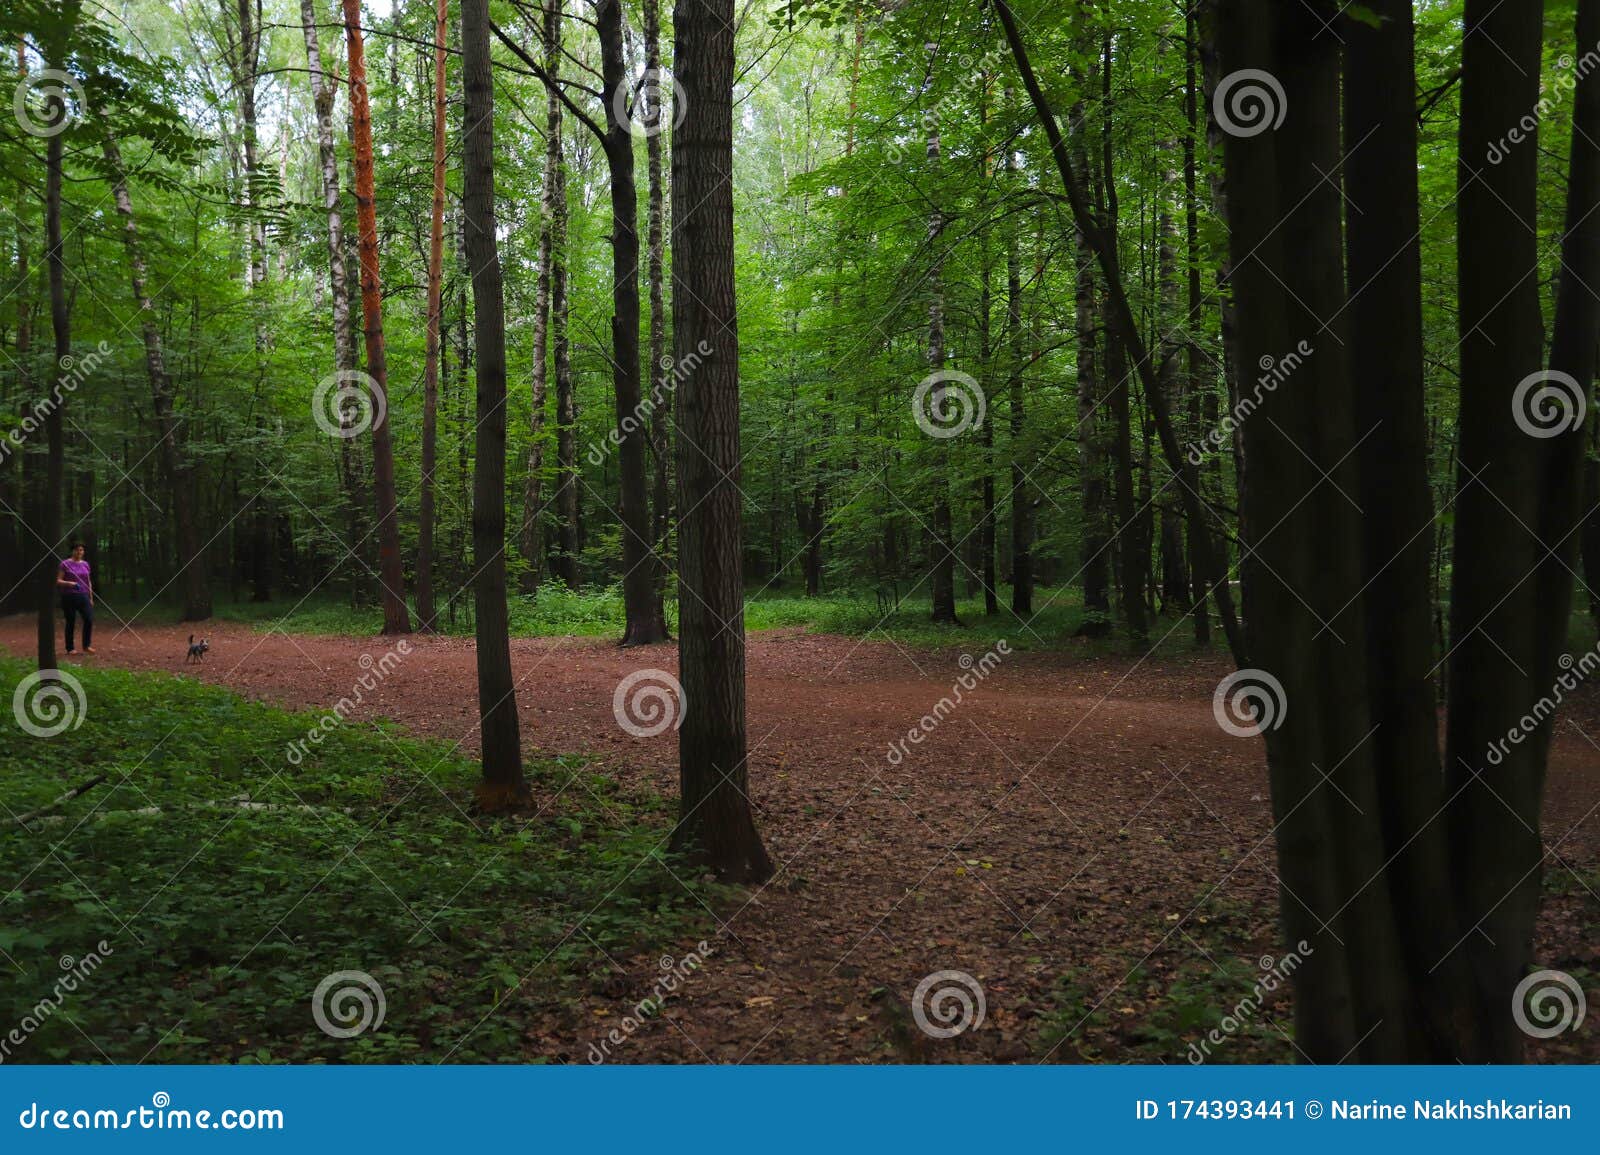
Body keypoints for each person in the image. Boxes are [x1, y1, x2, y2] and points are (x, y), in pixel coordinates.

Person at [57, 541, 95, 655]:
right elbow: (58, 580)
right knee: (71, 621)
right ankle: (70, 648)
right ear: (72, 551)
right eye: (77, 550)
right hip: (68, 596)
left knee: (89, 619)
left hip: (83, 595)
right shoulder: (64, 564)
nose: (79, 552)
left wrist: (91, 597)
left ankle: (86, 645)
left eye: (81, 550)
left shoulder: (85, 564)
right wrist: (70, 583)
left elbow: (88, 582)